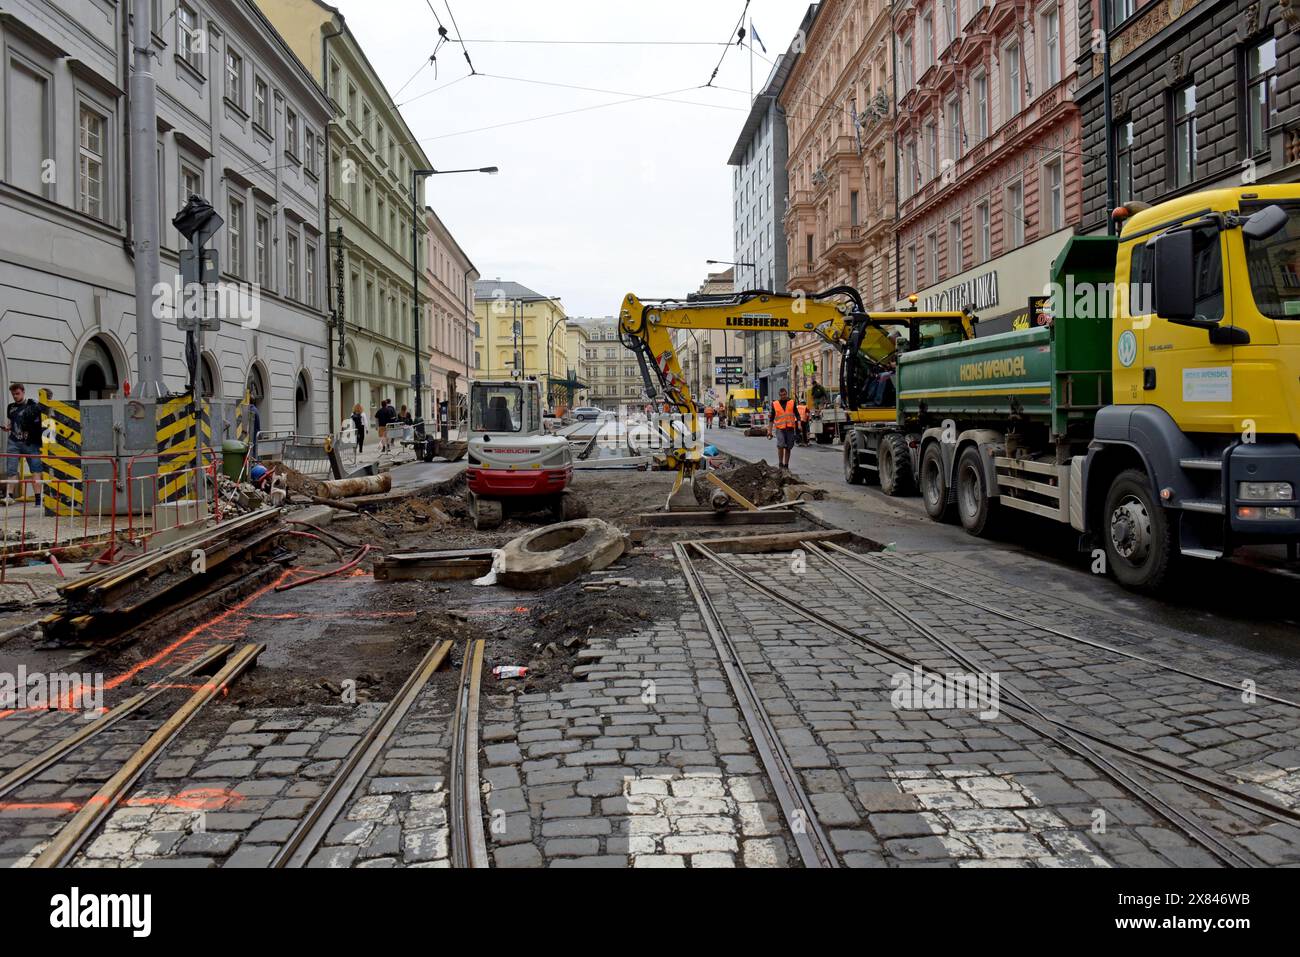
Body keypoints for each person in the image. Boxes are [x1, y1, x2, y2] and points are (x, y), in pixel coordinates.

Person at [3, 383, 43, 505]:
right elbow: (13, 422)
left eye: (17, 393)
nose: (15, 396)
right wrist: (7, 427)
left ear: (23, 392)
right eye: (13, 394)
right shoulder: (11, 407)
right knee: (11, 470)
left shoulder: (33, 405)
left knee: (35, 469)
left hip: (30, 443)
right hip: (14, 442)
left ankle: (38, 499)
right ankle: (9, 497)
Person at [768, 387, 799, 470]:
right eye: (781, 395)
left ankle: (786, 465)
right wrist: (769, 431)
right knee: (780, 445)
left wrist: (798, 428)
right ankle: (780, 463)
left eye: (784, 394)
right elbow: (771, 419)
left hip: (790, 428)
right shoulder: (775, 404)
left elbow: (797, 414)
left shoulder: (792, 402)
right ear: (779, 395)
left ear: (786, 394)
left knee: (788, 447)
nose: (783, 396)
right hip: (780, 428)